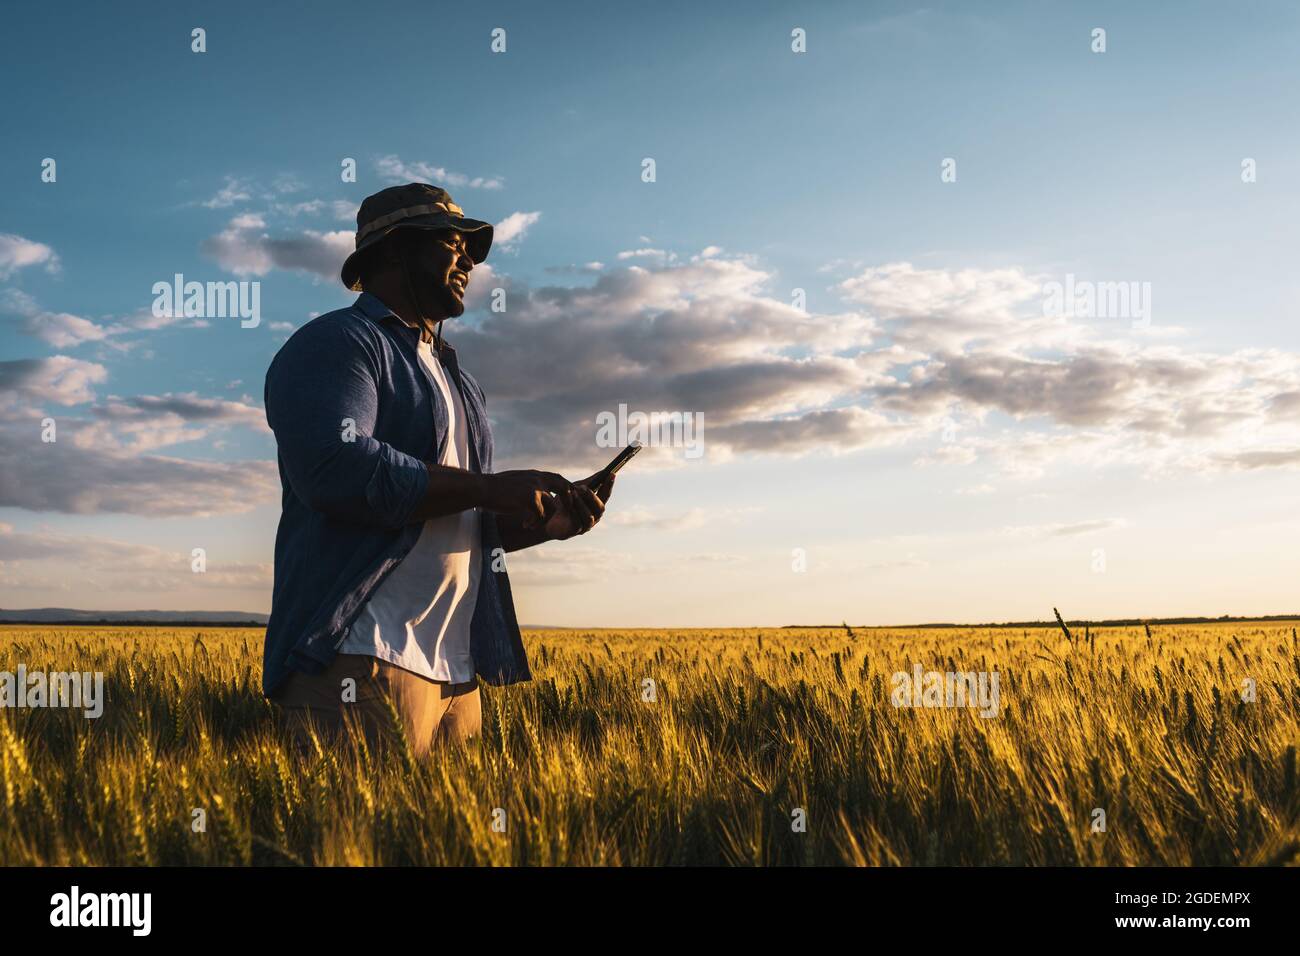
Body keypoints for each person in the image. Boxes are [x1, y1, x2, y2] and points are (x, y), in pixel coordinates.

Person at [261, 182, 615, 756]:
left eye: (471, 251)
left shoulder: (458, 380)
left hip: (456, 667)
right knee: (361, 845)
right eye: (453, 243)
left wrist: (543, 523)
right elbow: (335, 468)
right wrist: (490, 488)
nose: (470, 261)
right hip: (362, 651)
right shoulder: (337, 344)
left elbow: (454, 523)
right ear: (398, 248)